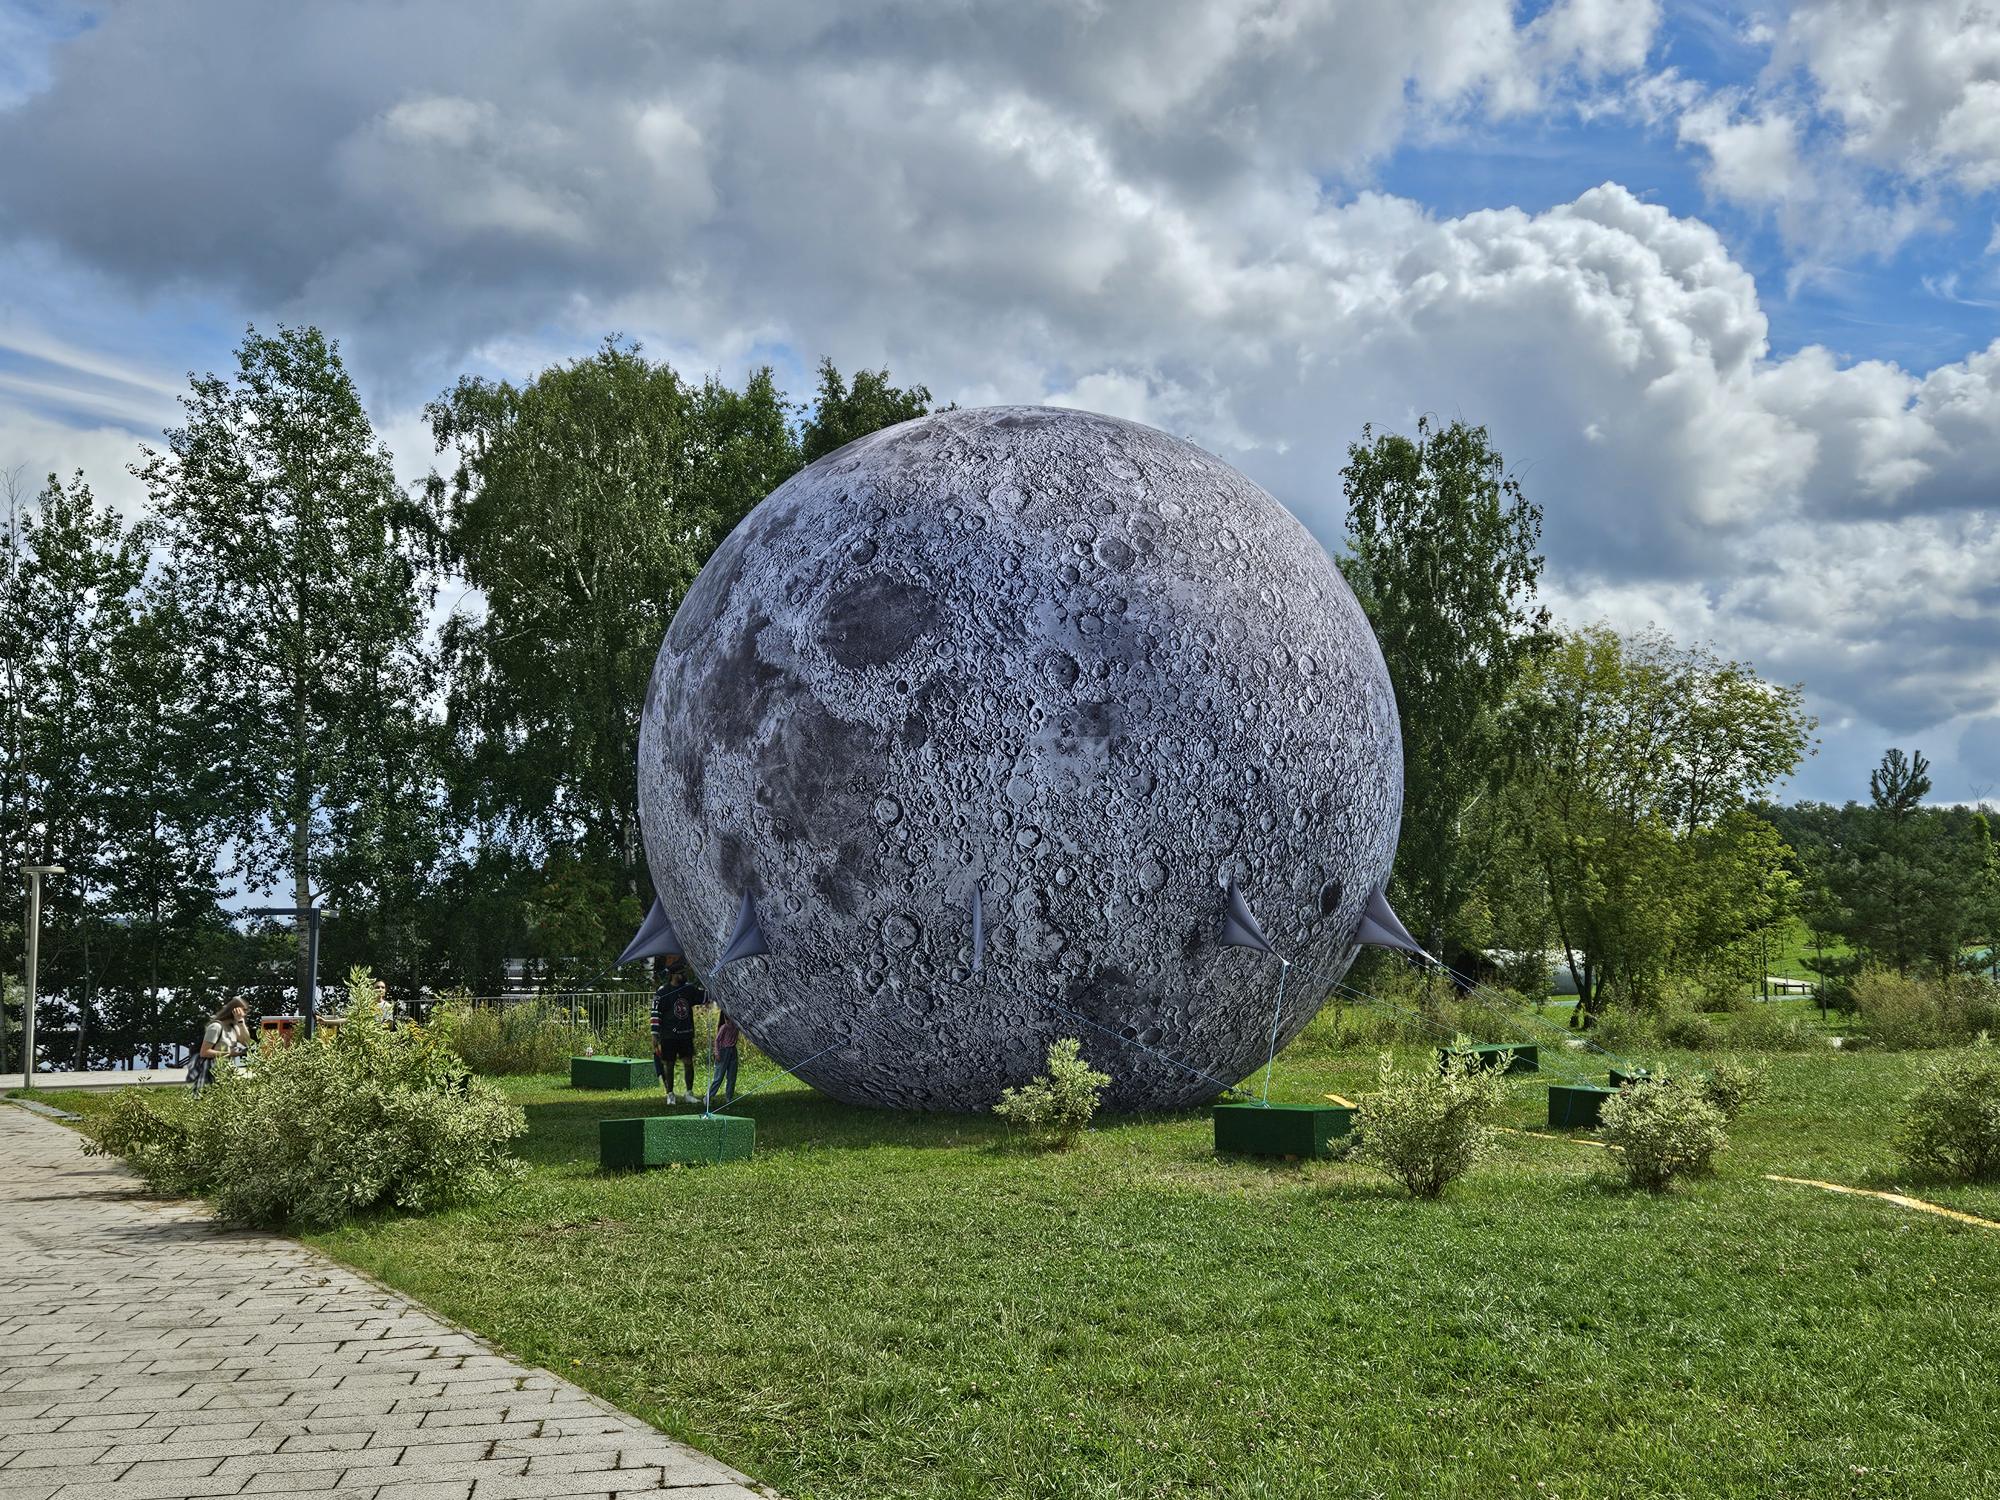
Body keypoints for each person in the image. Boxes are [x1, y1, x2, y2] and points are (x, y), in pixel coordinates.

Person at [650, 956, 704, 1104]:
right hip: (668, 1036)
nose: (684, 976)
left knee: (688, 1062)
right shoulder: (662, 992)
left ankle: (689, 1093)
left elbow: (704, 996)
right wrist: (654, 1034)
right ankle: (670, 1094)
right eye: (681, 973)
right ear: (673, 975)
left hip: (685, 1034)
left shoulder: (689, 989)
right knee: (669, 1064)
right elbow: (655, 1014)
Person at [190, 998, 251, 1096]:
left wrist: (241, 1022)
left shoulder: (233, 1027)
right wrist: (229, 1053)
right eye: (243, 1011)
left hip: (226, 1071)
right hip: (212, 1071)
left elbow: (247, 1042)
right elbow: (204, 1052)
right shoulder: (216, 1027)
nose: (244, 1015)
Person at [705, 1008, 740, 1113]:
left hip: (732, 1051)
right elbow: (717, 1040)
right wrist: (716, 1052)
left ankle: (729, 1098)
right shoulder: (724, 1027)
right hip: (723, 1051)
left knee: (731, 1077)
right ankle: (708, 1097)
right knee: (719, 1077)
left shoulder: (737, 1026)